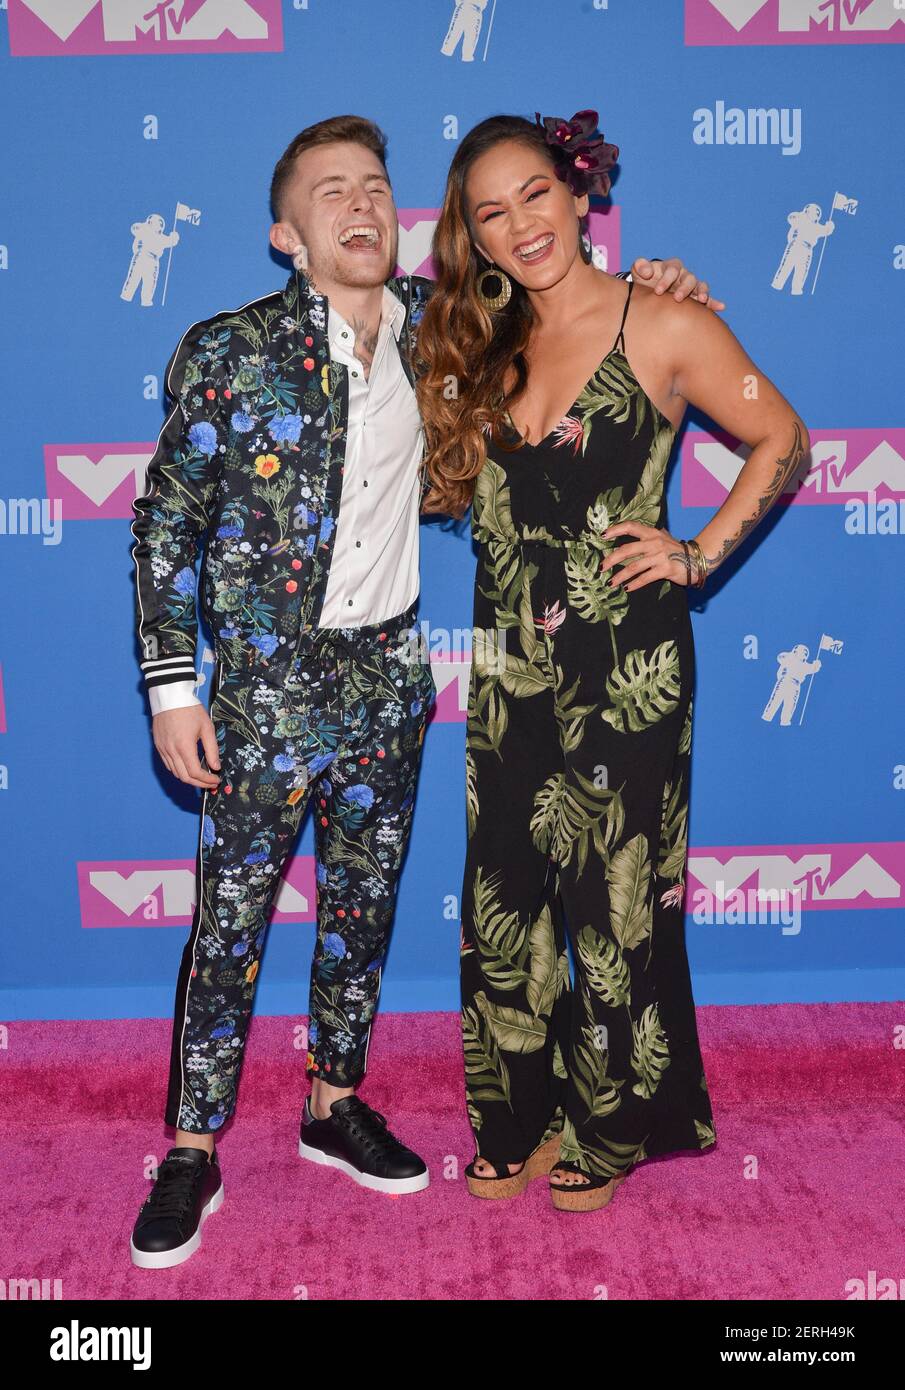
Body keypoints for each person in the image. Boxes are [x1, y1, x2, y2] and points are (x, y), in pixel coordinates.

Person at [128, 110, 712, 1266]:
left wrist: (663, 280)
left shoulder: (445, 336)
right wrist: (169, 686)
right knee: (231, 923)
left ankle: (332, 1102)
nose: (355, 204)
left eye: (371, 185)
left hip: (388, 681)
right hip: (255, 692)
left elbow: (588, 316)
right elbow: (161, 528)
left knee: (361, 910)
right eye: (325, 192)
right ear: (284, 235)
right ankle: (191, 1148)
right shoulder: (228, 349)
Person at [414, 109, 809, 1212]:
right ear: (473, 238)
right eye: (489, 212)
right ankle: (516, 1115)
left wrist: (696, 554)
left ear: (579, 193)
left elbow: (783, 435)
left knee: (613, 901)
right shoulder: (468, 342)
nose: (518, 224)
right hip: (504, 669)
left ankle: (611, 1118)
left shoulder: (662, 322)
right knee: (501, 891)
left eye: (534, 194)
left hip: (626, 668)